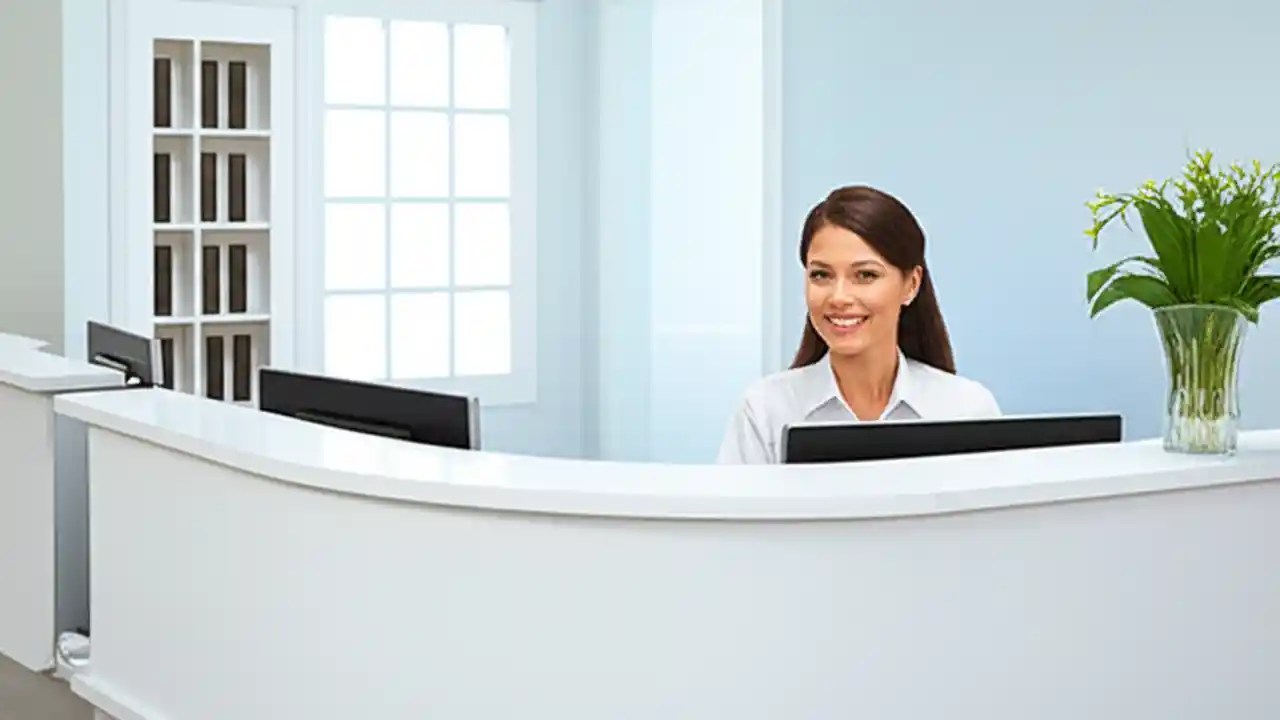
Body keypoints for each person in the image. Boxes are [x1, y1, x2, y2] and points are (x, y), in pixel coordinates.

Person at [717, 185, 1000, 464]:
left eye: (865, 275)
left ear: (911, 285)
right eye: (821, 275)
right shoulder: (765, 412)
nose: (839, 297)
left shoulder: (966, 409)